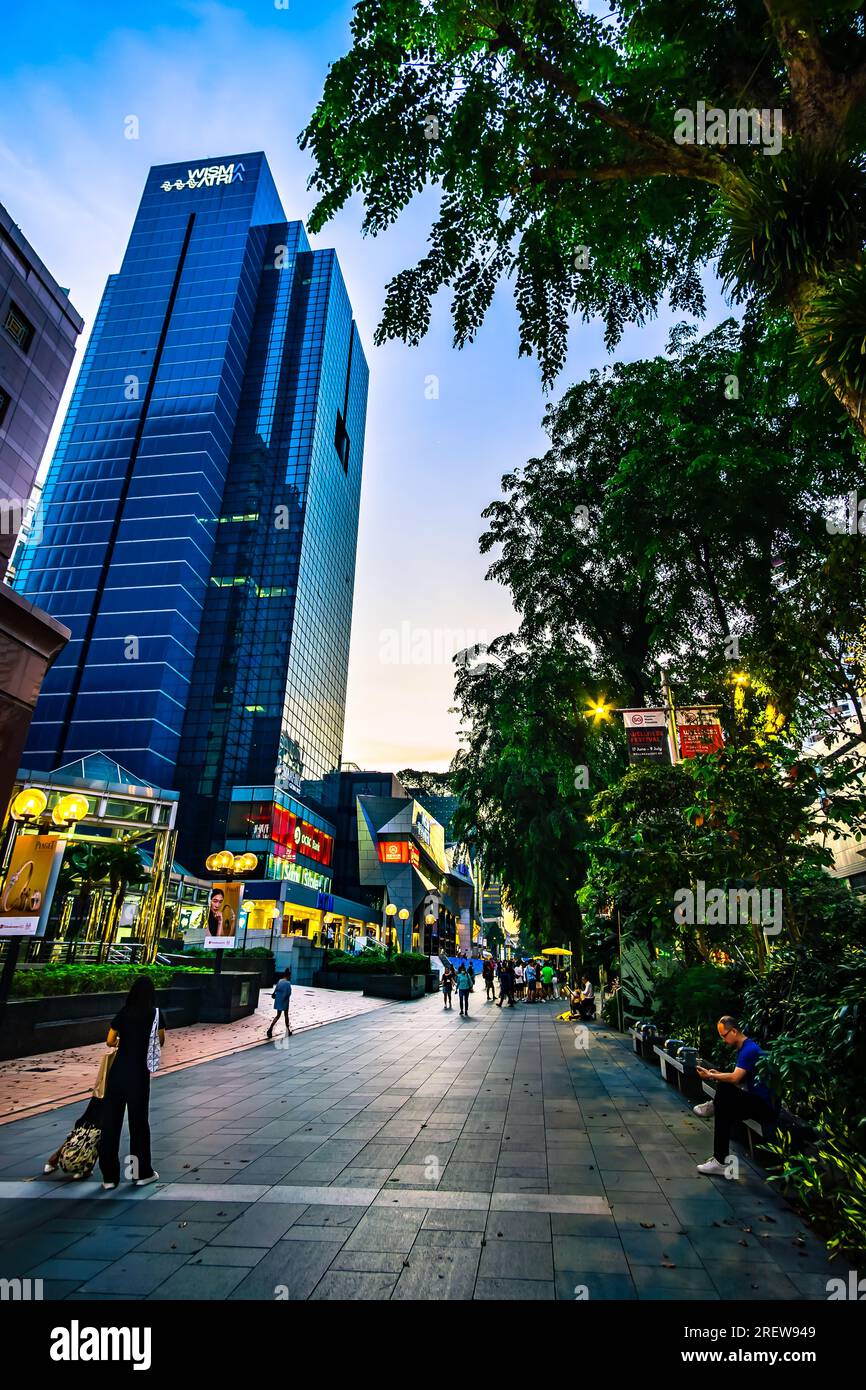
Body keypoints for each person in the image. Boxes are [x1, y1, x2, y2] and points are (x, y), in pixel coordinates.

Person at [98, 975, 164, 1190]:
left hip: (118, 1072)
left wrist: (121, 1041)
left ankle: (109, 1177)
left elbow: (109, 1040)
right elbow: (160, 1040)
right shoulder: (155, 1014)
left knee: (111, 1123)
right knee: (138, 1124)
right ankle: (140, 1173)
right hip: (139, 1073)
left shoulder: (124, 1013)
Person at [694, 1016, 779, 1176]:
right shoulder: (743, 1048)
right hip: (753, 1100)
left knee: (724, 1089)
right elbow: (740, 1081)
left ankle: (714, 1105)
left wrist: (713, 1076)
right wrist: (718, 1074)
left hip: (765, 1107)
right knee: (723, 1112)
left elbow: (735, 1079)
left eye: (724, 1036)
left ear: (733, 1031)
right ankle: (720, 1161)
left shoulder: (749, 1050)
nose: (723, 1040)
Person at [267, 969, 293, 1038]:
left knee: (278, 1015)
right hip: (285, 1001)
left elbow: (275, 990)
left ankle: (270, 1028)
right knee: (286, 1015)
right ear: (288, 975)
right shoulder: (288, 983)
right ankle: (288, 1030)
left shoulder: (279, 981)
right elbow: (289, 993)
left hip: (278, 1000)